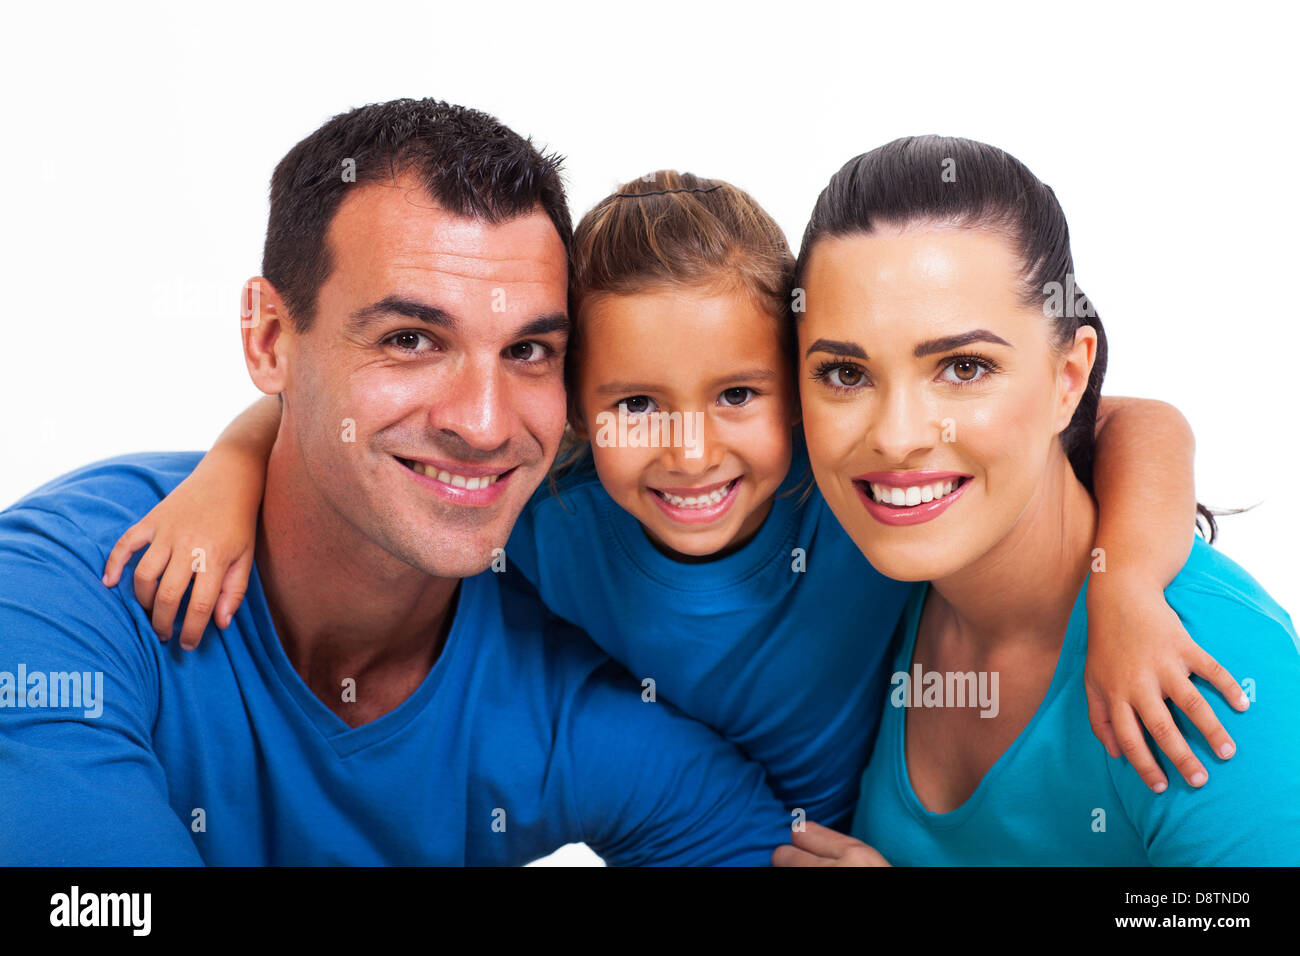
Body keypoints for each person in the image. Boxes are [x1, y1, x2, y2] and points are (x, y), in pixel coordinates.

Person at [102, 164, 1245, 841]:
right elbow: (356, 431)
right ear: (579, 410)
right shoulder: (548, 515)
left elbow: (1136, 417)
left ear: (802, 389)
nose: (691, 451)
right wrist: (230, 465)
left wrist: (1129, 584)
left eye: (740, 392)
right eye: (638, 402)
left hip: (901, 828)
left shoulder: (846, 483)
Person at [0, 99, 795, 866]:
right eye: (411, 338)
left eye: (527, 352)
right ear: (271, 339)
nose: (483, 426)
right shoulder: (61, 596)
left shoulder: (561, 685)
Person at [774, 136, 1300, 866]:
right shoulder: (871, 582)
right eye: (844, 373)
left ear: (1069, 376)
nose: (895, 438)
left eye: (964, 367)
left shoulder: (1210, 665)